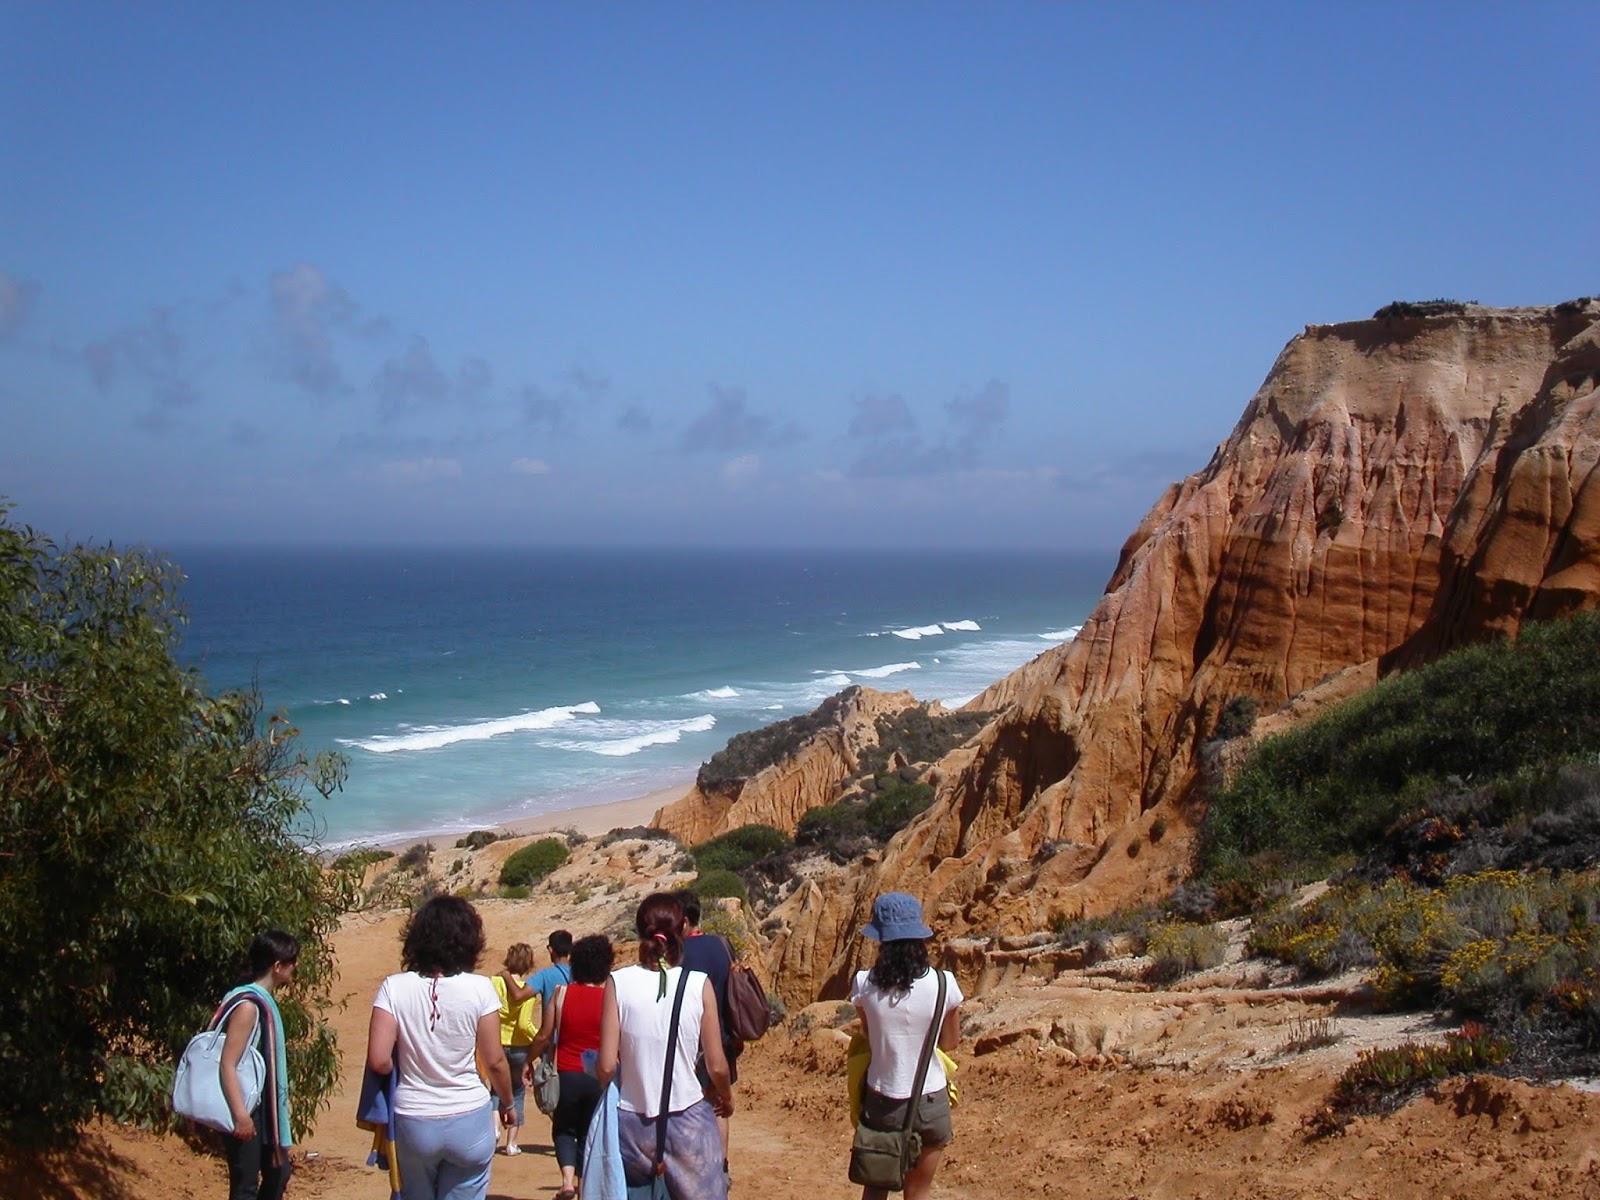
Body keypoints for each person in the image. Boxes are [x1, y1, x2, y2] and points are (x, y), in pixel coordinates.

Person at [366, 896, 517, 1200]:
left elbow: (379, 1059)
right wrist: (508, 1104)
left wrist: (408, 1068)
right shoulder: (480, 988)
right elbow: (495, 1060)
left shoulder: (393, 987)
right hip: (468, 1116)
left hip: (414, 1117)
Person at [598, 893, 735, 1200]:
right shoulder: (698, 984)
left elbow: (607, 1065)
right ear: (681, 929)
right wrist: (725, 1096)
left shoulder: (617, 982)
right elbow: (716, 1064)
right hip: (687, 1117)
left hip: (632, 1120)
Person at [850, 893, 963, 1200]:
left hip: (883, 1100)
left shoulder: (863, 984)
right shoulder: (945, 984)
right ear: (919, 938)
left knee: (875, 1187)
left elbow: (868, 1034)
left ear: (881, 940)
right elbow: (950, 1043)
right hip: (930, 1100)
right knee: (918, 1192)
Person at [526, 934, 613, 1200]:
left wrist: (529, 1060)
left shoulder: (561, 994)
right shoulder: (609, 998)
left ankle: (566, 1182)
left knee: (564, 1128)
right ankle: (585, 1187)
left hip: (566, 1073)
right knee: (589, 1132)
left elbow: (544, 1035)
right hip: (598, 1075)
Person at [220, 929, 300, 1200]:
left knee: (279, 1172)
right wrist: (241, 1115)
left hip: (264, 1109)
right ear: (277, 966)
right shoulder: (248, 1007)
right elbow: (228, 1063)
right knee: (245, 1187)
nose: (295, 967)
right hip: (247, 1108)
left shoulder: (261, 1002)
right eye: (292, 961)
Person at [674, 890, 739, 1184]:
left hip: (689, 1042)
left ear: (685, 921)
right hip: (725, 1038)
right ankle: (721, 1167)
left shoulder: (679, 953)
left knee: (687, 1105)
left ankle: (691, 1170)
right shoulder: (722, 945)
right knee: (718, 1108)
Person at [491, 943, 537, 1156]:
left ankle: (494, 1131)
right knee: (517, 1091)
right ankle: (511, 1143)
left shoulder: (494, 983)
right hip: (519, 1046)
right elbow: (524, 1024)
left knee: (494, 1090)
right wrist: (539, 1040)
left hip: (497, 1043)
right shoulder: (528, 989)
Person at [500, 929, 573, 1024]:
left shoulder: (545, 975)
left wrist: (506, 975)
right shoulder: (581, 973)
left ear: (550, 949)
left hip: (553, 1033)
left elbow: (518, 995)